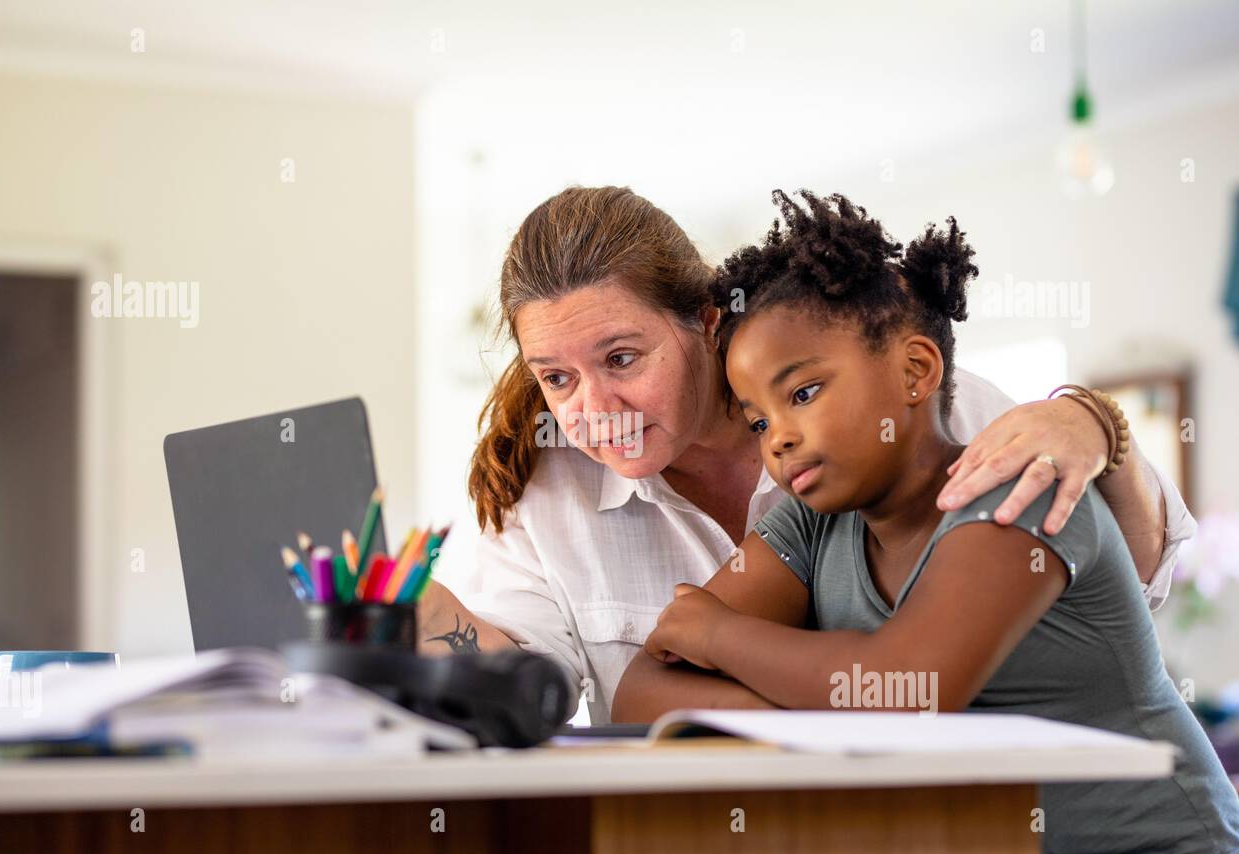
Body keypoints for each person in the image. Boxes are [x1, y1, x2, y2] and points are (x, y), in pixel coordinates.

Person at [613, 189, 1239, 854]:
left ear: (916, 370)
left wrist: (718, 635)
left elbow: (908, 688)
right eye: (759, 420)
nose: (778, 439)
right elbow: (641, 695)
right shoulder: (813, 525)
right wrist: (830, 722)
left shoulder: (1015, 488)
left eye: (804, 393)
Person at [418, 185, 1192, 728]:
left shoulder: (915, 419)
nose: (592, 410)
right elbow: (551, 692)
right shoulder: (542, 497)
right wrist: (418, 619)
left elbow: (1130, 574)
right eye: (557, 379)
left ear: (705, 322)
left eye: (622, 359)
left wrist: (1097, 426)